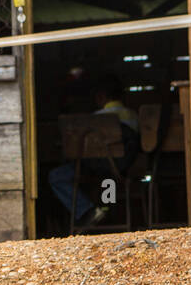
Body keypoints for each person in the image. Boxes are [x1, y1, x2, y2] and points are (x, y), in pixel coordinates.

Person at [47, 73, 140, 228]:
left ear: (101, 96)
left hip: (96, 168)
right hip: (122, 168)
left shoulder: (96, 119)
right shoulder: (134, 116)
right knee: (108, 180)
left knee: (56, 176)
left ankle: (88, 211)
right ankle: (108, 213)